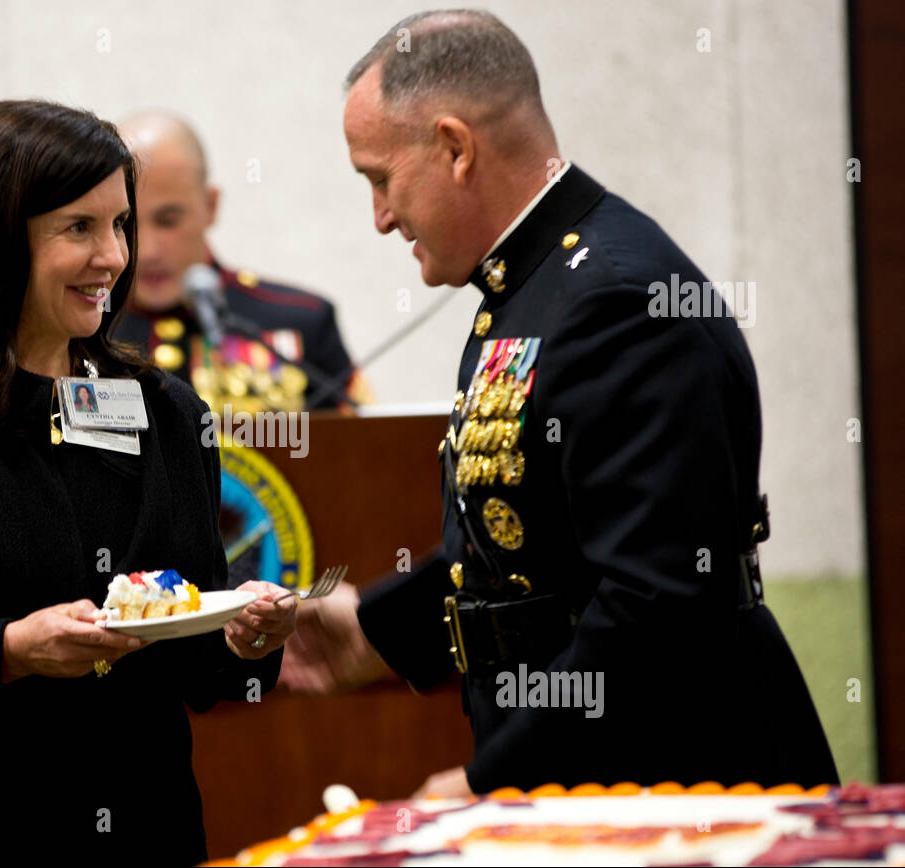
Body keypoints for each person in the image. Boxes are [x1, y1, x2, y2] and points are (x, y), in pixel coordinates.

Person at [284, 10, 839, 797]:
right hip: (617, 777)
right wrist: (371, 630)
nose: (379, 218)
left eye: (380, 178)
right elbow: (532, 552)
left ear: (454, 147)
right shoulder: (537, 284)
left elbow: (658, 605)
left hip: (676, 785)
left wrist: (495, 780)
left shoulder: (617, 300)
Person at [0, 100, 296, 866]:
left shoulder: (167, 411)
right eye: (79, 228)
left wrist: (245, 640)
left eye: (121, 225)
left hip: (150, 837)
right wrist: (8, 652)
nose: (113, 258)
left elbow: (200, 657)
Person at [112, 111, 372, 413]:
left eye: (168, 220)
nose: (148, 251)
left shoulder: (300, 321)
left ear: (210, 206)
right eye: (126, 223)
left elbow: (362, 447)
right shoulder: (82, 332)